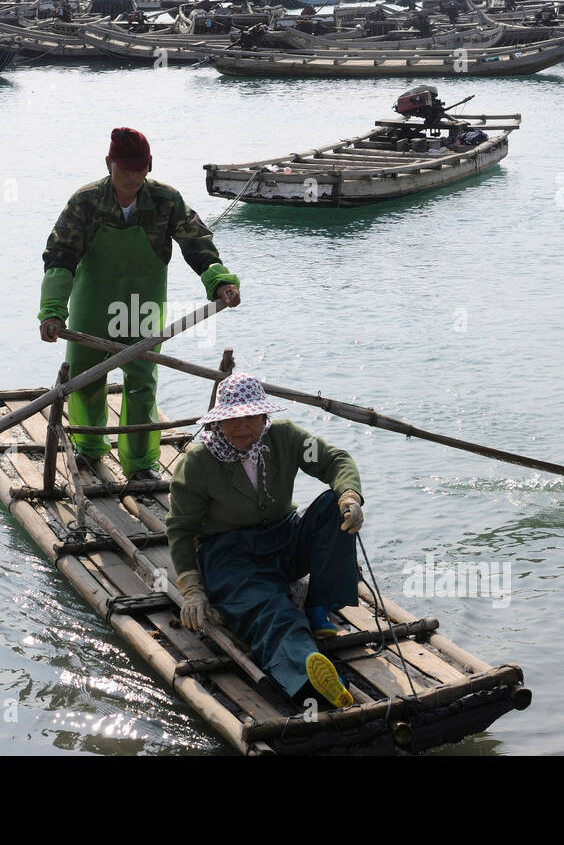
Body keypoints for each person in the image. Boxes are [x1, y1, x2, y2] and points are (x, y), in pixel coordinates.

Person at [38, 128, 241, 478]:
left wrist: (220, 281)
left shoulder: (166, 200)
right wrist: (53, 311)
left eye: (138, 169)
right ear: (108, 164)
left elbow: (198, 244)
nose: (131, 178)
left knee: (141, 383)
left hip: (143, 303)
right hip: (92, 303)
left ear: (149, 166)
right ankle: (88, 447)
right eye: (123, 170)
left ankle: (142, 464)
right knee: (86, 380)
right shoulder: (84, 202)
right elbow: (60, 257)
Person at [165, 374, 365, 708]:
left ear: (263, 416)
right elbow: (181, 529)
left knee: (333, 505)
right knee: (272, 611)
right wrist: (192, 588)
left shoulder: (284, 437)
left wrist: (350, 496)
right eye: (232, 419)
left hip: (285, 540)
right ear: (219, 421)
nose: (241, 427)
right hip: (232, 559)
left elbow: (335, 460)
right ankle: (310, 678)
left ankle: (319, 605)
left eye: (250, 417)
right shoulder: (197, 463)